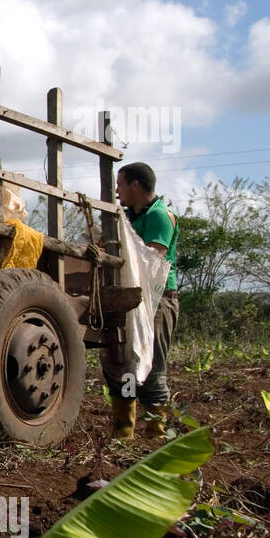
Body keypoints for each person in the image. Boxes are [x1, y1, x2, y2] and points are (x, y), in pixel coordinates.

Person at [106, 161, 179, 440]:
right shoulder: (126, 217)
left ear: (135, 185)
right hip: (129, 297)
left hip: (158, 299)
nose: (116, 191)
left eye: (120, 184)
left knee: (152, 364)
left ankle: (155, 434)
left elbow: (151, 260)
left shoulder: (160, 216)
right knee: (124, 363)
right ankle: (124, 432)